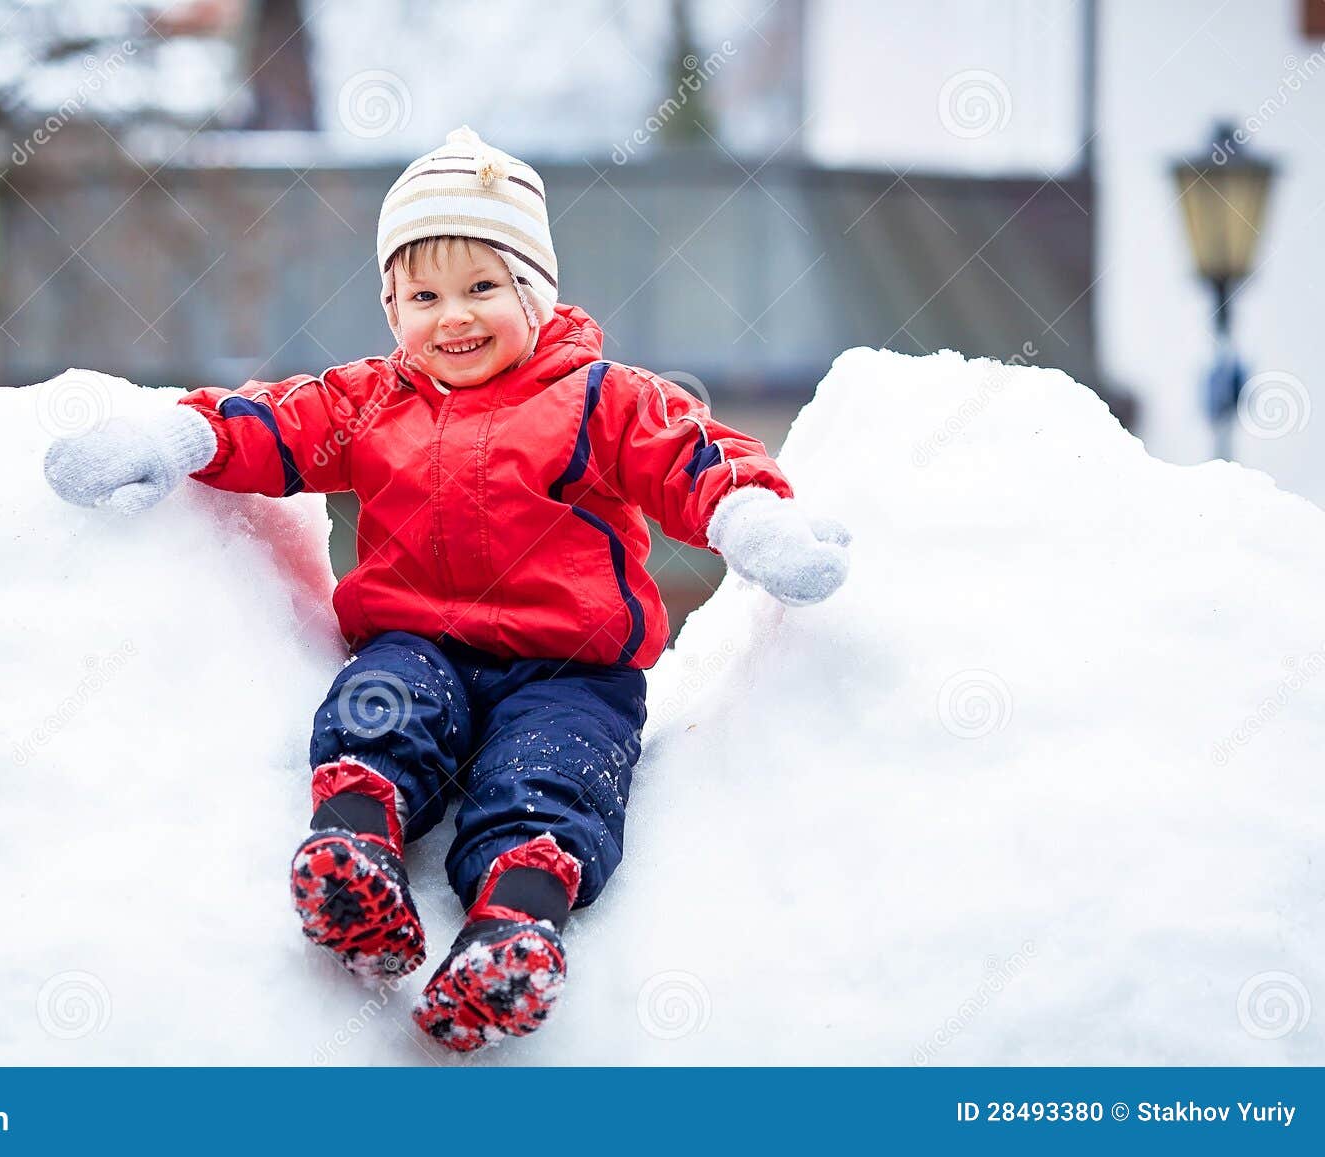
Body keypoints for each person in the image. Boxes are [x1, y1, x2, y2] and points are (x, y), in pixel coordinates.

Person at [43, 126, 851, 1053]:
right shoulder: (373, 399)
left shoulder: (599, 396)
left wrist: (752, 520)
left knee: (554, 773)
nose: (452, 317)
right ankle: (355, 852)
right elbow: (276, 421)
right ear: (392, 306)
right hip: (418, 645)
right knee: (377, 709)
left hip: (569, 669)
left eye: (481, 289)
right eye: (422, 295)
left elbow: (690, 455)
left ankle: (513, 929)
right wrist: (179, 437)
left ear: (533, 295)